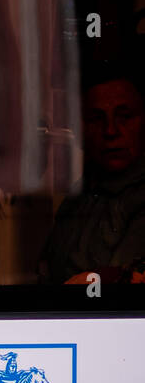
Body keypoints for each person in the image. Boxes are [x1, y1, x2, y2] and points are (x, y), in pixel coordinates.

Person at [41, 65, 145, 283]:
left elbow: (119, 288)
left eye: (124, 117)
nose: (110, 131)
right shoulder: (79, 196)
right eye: (96, 119)